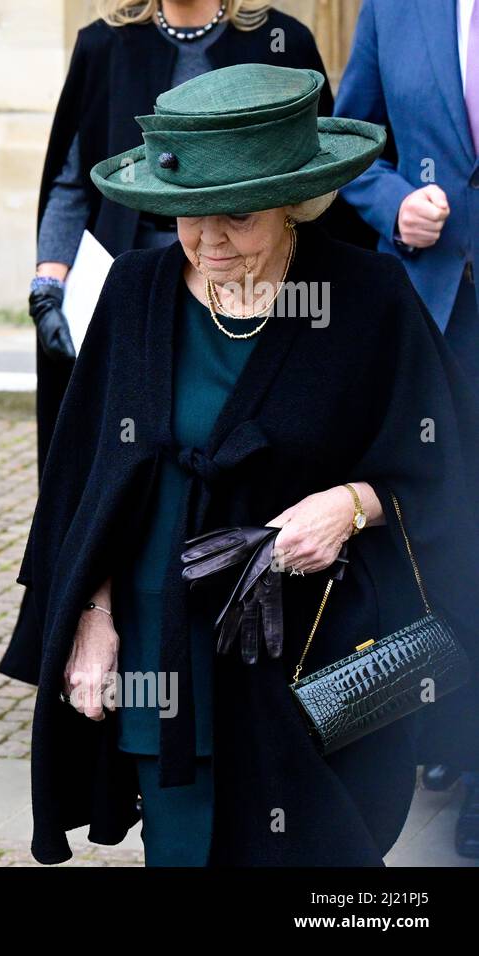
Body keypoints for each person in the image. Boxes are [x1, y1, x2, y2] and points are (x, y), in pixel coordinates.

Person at [0, 62, 479, 866]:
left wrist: (353, 504)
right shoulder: (135, 293)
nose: (211, 242)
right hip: (166, 653)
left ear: (295, 200)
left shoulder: (368, 297)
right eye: (190, 216)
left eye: (240, 217)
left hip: (322, 662)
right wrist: (90, 620)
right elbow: (86, 485)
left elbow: (446, 466)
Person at [17, 0, 373, 668]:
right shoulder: (104, 44)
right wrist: (49, 279)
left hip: (269, 289)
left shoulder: (280, 39)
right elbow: (71, 177)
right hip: (139, 286)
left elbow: (322, 183)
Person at [333, 0, 479, 857]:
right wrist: (392, 203)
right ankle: (441, 732)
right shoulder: (393, 5)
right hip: (432, 314)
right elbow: (353, 138)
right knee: (433, 529)